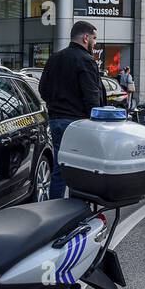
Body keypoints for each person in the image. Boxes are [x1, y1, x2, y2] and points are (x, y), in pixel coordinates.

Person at [38, 20, 105, 199]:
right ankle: (77, 210)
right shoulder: (86, 60)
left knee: (60, 168)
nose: (95, 43)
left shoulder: (54, 58)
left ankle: (54, 210)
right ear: (85, 38)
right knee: (80, 168)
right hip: (78, 123)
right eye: (94, 38)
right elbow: (92, 97)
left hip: (55, 120)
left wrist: (55, 105)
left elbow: (42, 89)